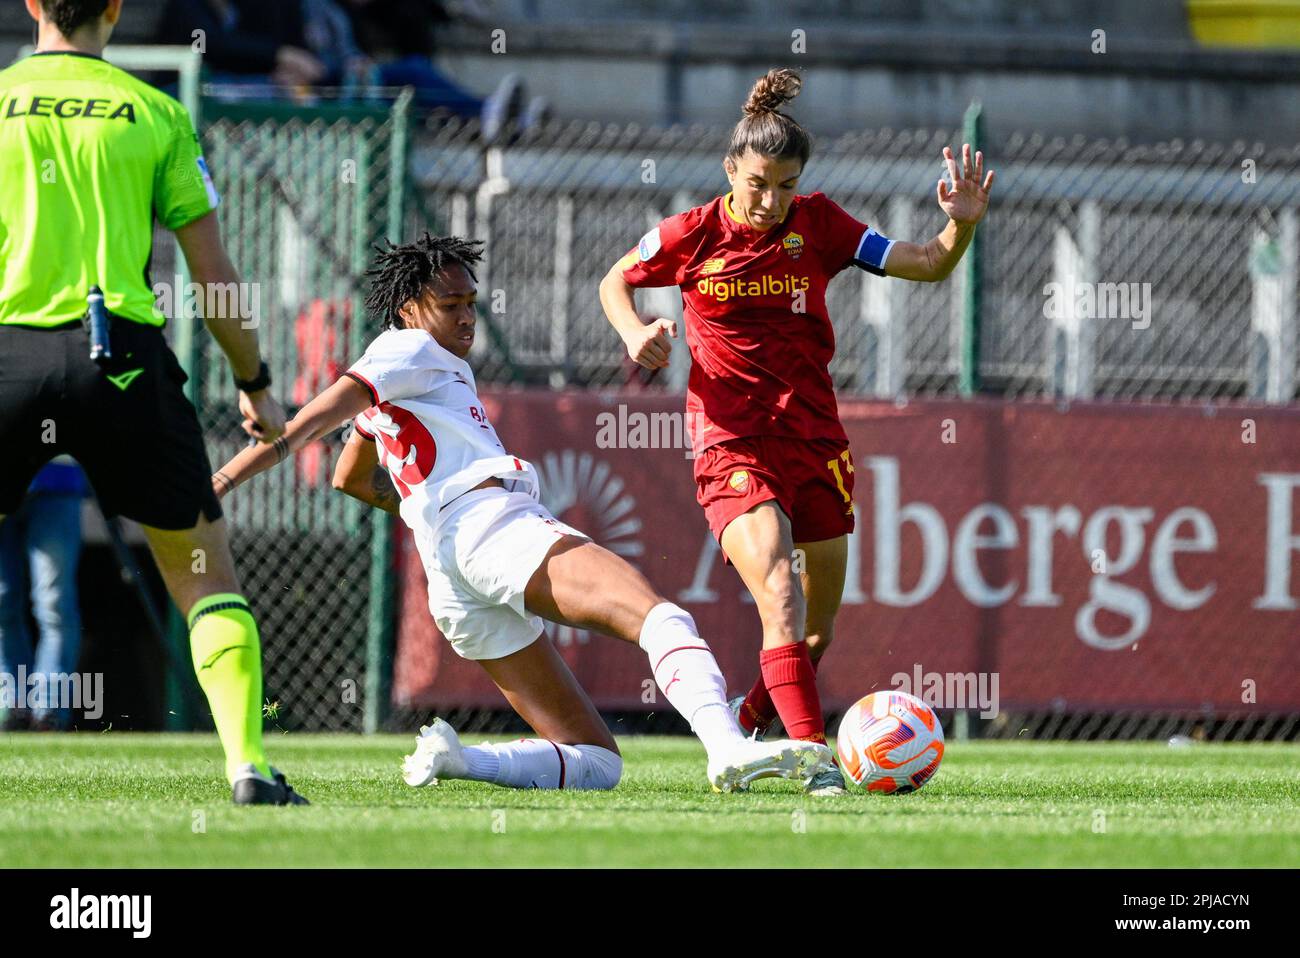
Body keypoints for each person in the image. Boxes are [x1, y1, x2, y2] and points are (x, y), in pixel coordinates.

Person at [213, 233, 834, 793]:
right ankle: (726, 748)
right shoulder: (406, 349)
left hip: (451, 574)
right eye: (449, 304)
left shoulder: (408, 375)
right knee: (663, 619)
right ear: (408, 311)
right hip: (489, 526)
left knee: (598, 761)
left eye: (470, 303)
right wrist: (223, 477)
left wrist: (423, 507)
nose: (465, 317)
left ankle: (461, 760)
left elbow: (350, 477)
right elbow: (301, 426)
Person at [599, 68, 995, 795]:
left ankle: (745, 729)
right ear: (730, 171)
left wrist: (960, 223)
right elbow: (616, 279)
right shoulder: (690, 234)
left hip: (816, 443)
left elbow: (929, 264)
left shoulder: (820, 224)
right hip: (731, 442)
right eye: (756, 183)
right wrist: (632, 333)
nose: (769, 200)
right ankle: (816, 763)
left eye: (784, 184)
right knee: (779, 591)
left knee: (815, 633)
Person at [0, 0, 306, 805]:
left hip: (9, 348)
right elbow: (214, 278)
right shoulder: (157, 112)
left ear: (32, 5)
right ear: (115, 8)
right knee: (205, 576)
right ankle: (247, 766)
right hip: (122, 358)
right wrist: (256, 383)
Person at [0, 458, 87, 731]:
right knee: (2, 601)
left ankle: (48, 712)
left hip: (57, 482)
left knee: (54, 603)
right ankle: (13, 705)